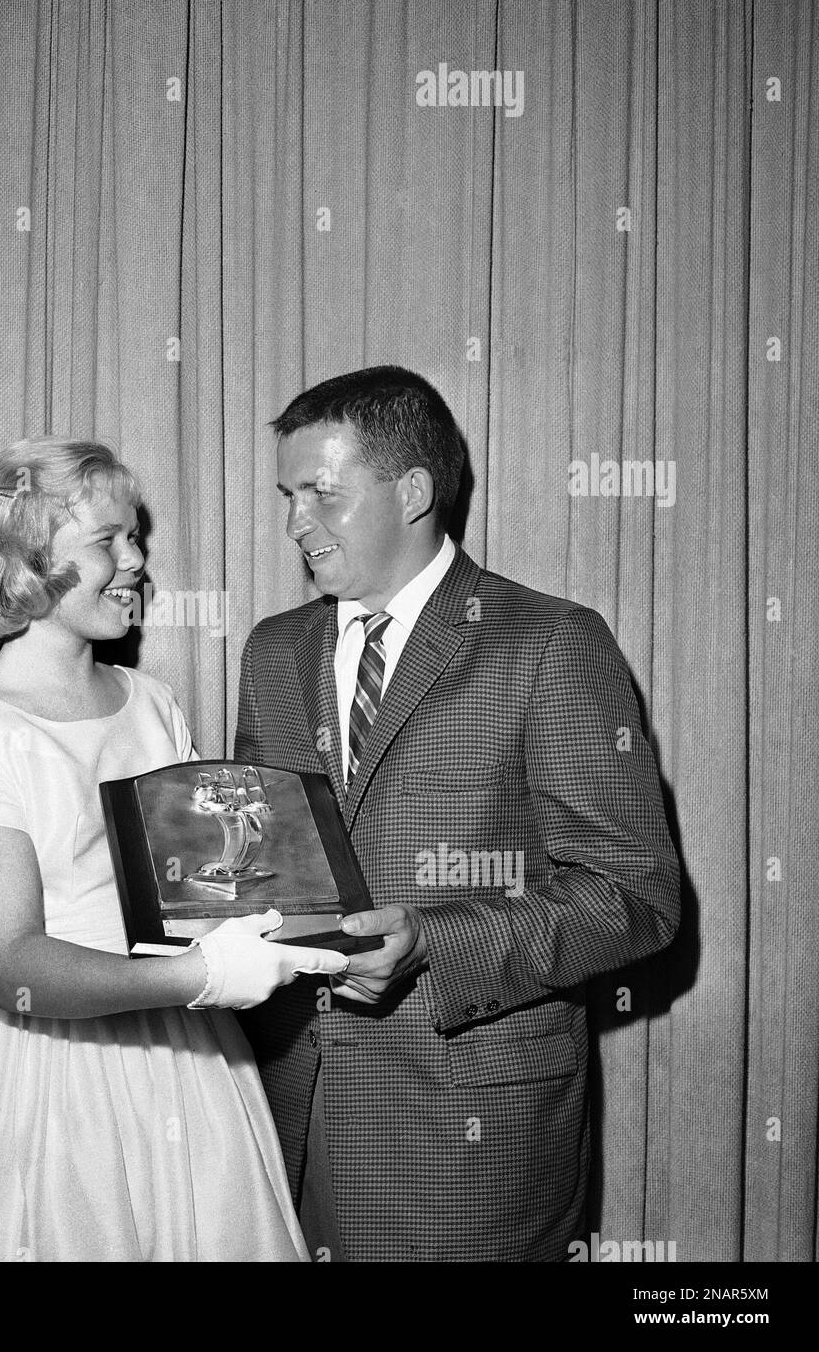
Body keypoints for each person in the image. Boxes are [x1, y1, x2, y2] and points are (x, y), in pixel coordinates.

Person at [235, 366, 681, 1261]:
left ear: (413, 491)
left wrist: (437, 940)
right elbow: (263, 861)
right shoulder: (273, 651)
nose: (293, 522)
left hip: (472, 1137)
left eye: (320, 492)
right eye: (287, 495)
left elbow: (639, 896)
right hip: (285, 1113)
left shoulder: (552, 643)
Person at [0, 437, 347, 1262]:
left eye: (137, 540)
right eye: (108, 542)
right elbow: (14, 965)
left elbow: (205, 889)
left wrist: (315, 934)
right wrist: (202, 979)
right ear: (31, 561)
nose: (135, 563)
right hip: (47, 1077)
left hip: (188, 1066)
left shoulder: (152, 704)